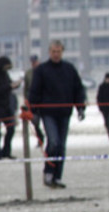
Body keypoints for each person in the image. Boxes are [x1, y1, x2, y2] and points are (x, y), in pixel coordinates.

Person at [28, 40, 86, 189]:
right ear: (49, 52)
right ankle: (48, 173)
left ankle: (57, 177)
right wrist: (33, 112)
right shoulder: (42, 70)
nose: (56, 54)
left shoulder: (69, 69)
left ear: (62, 52)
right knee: (53, 142)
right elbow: (34, 91)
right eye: (53, 51)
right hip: (48, 113)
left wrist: (80, 108)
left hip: (65, 113)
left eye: (58, 51)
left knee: (61, 146)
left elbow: (78, 89)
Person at [23, 54, 45, 147]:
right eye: (32, 62)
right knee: (35, 123)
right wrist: (26, 100)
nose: (33, 63)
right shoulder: (28, 73)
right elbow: (26, 88)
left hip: (43, 102)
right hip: (33, 103)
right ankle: (40, 138)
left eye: (35, 61)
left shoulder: (43, 71)